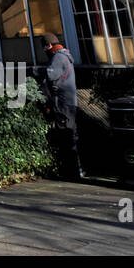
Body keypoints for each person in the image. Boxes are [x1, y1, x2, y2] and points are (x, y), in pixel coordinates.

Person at [41, 35, 82, 178]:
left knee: (66, 135)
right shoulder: (66, 56)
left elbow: (50, 75)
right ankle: (75, 171)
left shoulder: (58, 58)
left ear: (49, 45)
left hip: (63, 103)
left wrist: (35, 71)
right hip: (69, 102)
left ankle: (70, 172)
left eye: (45, 47)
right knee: (70, 135)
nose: (45, 51)